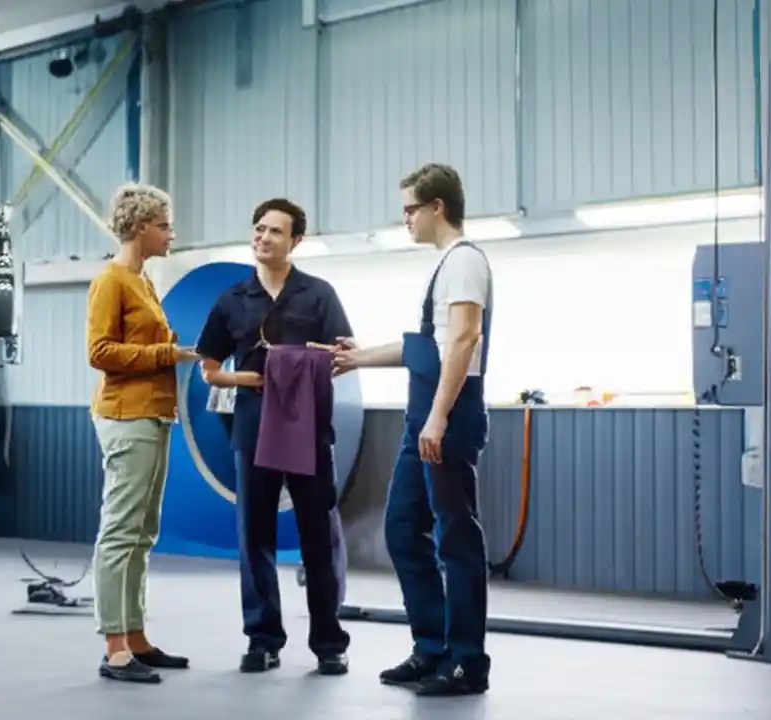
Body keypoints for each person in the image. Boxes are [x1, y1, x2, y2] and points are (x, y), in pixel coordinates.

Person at [333, 163, 493, 696]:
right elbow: (422, 346)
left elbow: (464, 341)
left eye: (410, 209)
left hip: (444, 415)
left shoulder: (465, 262)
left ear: (437, 207)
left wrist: (439, 416)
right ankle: (431, 648)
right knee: (404, 529)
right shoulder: (442, 266)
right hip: (422, 416)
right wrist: (355, 359)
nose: (405, 218)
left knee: (456, 538)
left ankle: (468, 660)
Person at [194, 197, 353, 676]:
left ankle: (329, 642)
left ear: (296, 241)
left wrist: (300, 367)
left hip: (308, 430)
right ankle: (263, 639)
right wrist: (251, 379)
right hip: (253, 429)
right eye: (259, 229)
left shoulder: (319, 294)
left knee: (316, 538)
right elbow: (209, 369)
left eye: (275, 232)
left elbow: (344, 356)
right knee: (254, 535)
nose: (263, 238)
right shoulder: (231, 301)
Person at [85, 183, 200, 684]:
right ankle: (114, 648)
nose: (171, 234)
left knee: (142, 531)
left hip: (155, 415)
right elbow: (100, 352)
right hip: (126, 416)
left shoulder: (143, 280)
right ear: (140, 227)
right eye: (166, 225)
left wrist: (181, 348)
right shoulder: (112, 280)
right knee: (120, 531)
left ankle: (135, 636)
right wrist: (165, 355)